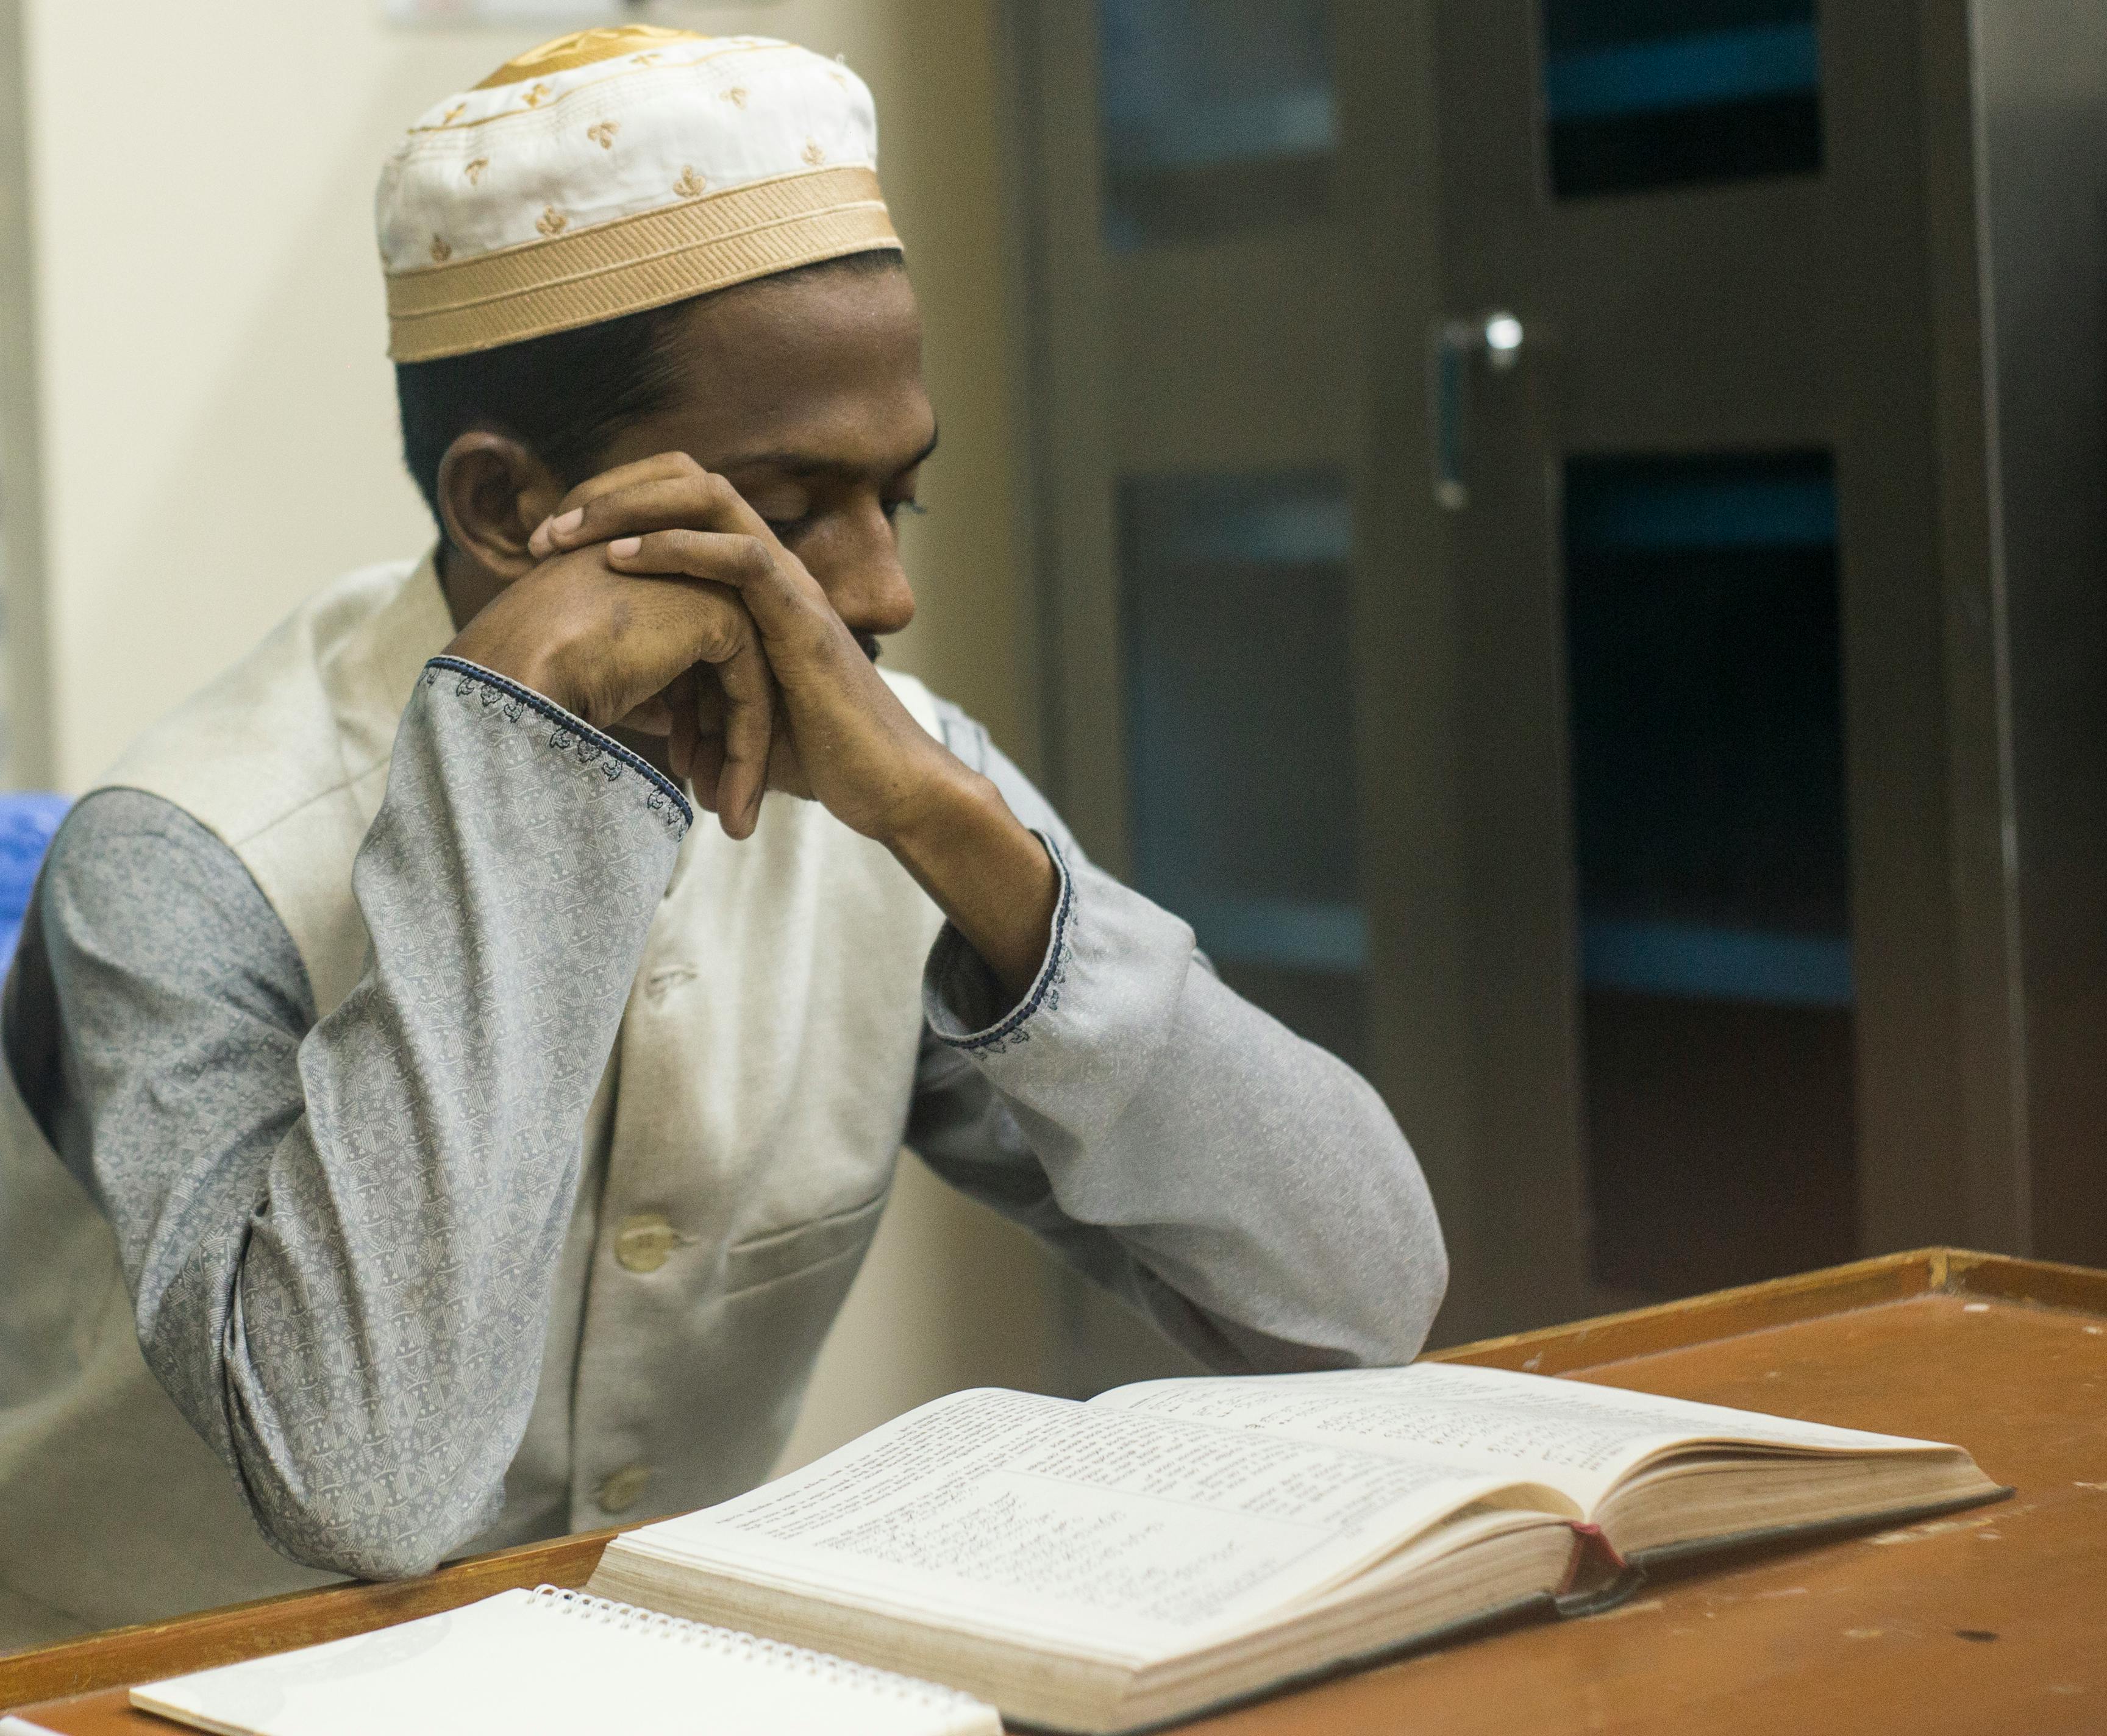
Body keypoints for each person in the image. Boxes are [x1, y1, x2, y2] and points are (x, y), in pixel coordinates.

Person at [0, 26, 1446, 1649]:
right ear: (504, 509)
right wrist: (518, 749)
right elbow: (374, 1488)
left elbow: (1361, 1302)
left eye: (900, 498)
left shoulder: (884, 782)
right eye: (788, 505)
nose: (884, 592)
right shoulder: (178, 857)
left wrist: (957, 830)